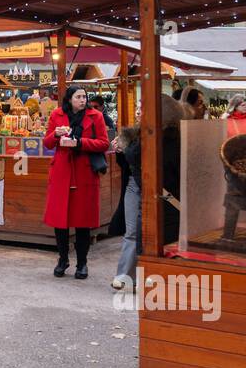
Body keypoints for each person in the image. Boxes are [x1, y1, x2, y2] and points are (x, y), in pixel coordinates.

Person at [110, 97, 184, 289]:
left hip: (157, 192)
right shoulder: (147, 131)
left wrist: (127, 147)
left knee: (145, 234)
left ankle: (145, 280)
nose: (139, 112)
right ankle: (126, 276)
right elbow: (129, 160)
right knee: (133, 231)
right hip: (138, 185)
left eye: (143, 109)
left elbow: (134, 156)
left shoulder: (163, 135)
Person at [43, 85, 110, 279]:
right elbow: (47, 143)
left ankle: (82, 263)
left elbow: (104, 143)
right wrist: (56, 134)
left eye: (84, 97)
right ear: (70, 98)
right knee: (60, 221)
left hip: (85, 172)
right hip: (62, 171)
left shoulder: (95, 116)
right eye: (78, 96)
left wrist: (80, 143)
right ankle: (62, 260)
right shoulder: (57, 115)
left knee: (83, 221)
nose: (82, 100)